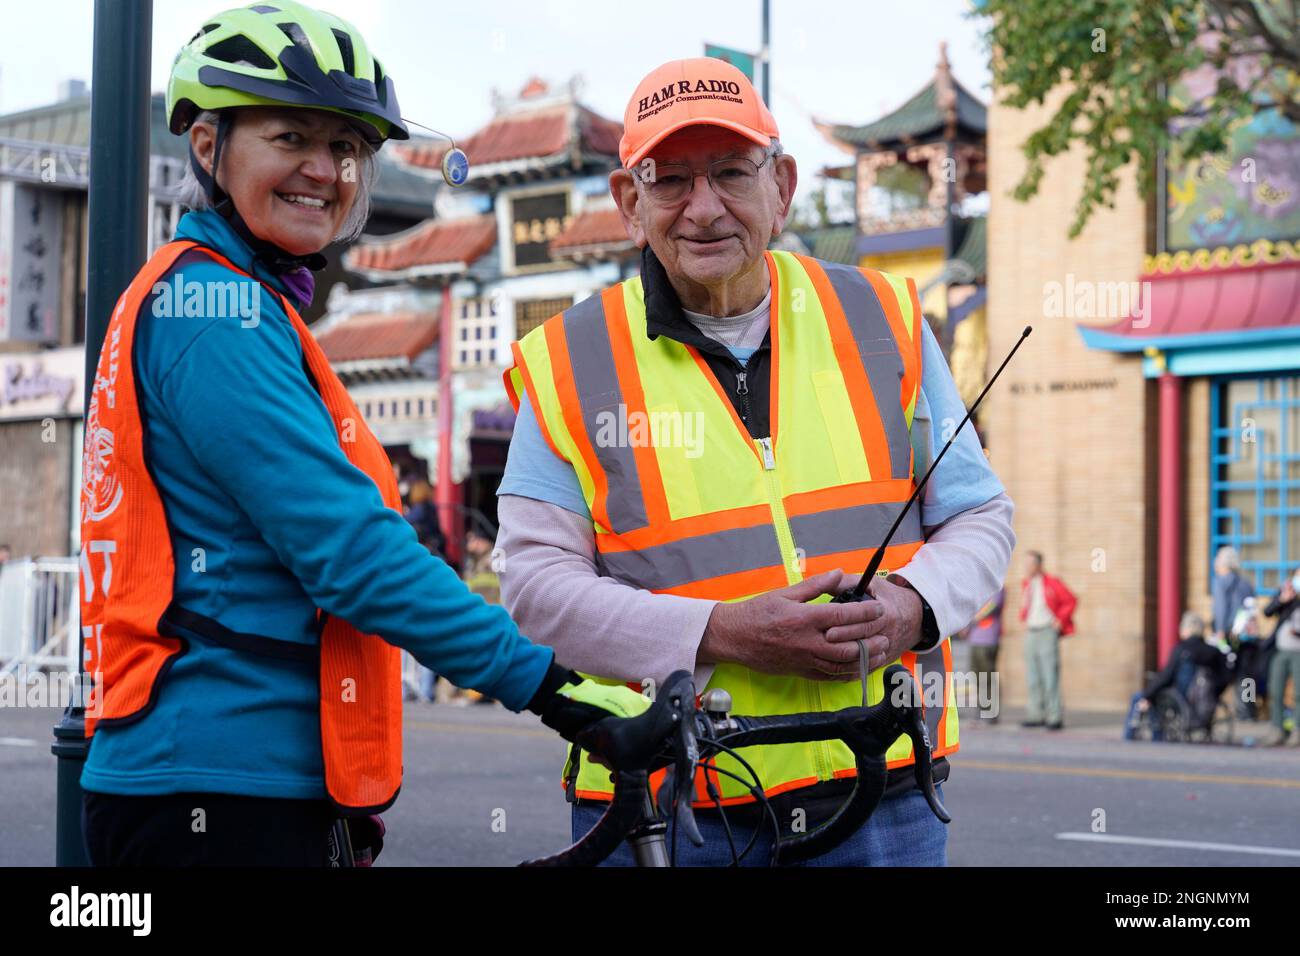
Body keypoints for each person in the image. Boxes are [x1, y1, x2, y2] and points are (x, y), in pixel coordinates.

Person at [77, 0, 650, 867]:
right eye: (290, 137)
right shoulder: (214, 315)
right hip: (216, 793)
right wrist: (557, 690)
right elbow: (352, 552)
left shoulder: (243, 303)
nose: (326, 170)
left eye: (345, 148)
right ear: (207, 146)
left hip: (243, 784)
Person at [495, 57, 1015, 866]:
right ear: (629, 204)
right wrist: (721, 632)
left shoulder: (887, 319)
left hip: (881, 785)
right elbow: (534, 589)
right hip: (668, 803)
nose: (704, 209)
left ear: (783, 185)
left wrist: (913, 605)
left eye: (732, 173)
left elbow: (980, 515)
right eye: (670, 181)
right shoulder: (569, 361)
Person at [1018, 551, 1076, 730]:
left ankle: (1054, 716)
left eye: (1030, 564)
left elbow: (1071, 600)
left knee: (1050, 675)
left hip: (1046, 631)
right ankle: (1036, 714)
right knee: (1033, 676)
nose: (1026, 567)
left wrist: (1060, 619)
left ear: (1039, 565)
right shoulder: (1027, 584)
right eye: (1025, 563)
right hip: (1031, 631)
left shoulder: (1052, 582)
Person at [1259, 568, 1300, 746]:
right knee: (1276, 690)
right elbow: (1267, 612)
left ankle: (1297, 731)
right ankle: (1277, 729)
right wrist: (1283, 599)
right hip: (1280, 650)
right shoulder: (1286, 592)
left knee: (1299, 693)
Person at [961, 587, 1004, 722]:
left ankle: (991, 712)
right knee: (977, 677)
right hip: (975, 639)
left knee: (988, 677)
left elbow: (991, 607)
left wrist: (969, 621)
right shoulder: (980, 586)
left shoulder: (998, 586)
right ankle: (982, 709)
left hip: (988, 640)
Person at [1211, 546, 1255, 644]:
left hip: (1226, 630)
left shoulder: (1220, 582)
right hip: (1244, 631)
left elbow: (1220, 607)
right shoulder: (1245, 583)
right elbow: (1251, 606)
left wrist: (1220, 629)